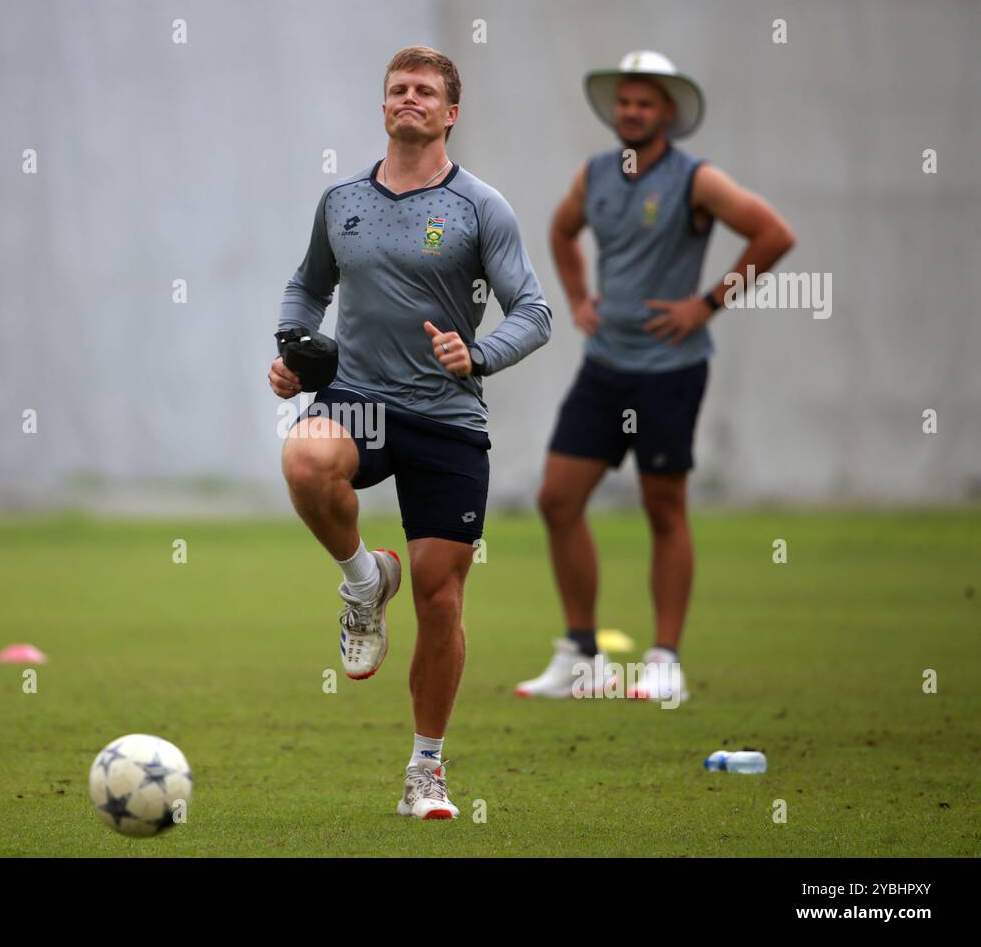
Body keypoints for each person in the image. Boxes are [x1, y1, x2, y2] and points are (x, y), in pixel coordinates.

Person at [272, 46, 552, 818]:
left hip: (447, 414)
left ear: (450, 112)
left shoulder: (480, 206)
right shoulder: (342, 202)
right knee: (304, 459)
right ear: (384, 104)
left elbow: (534, 311)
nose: (409, 98)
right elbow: (307, 285)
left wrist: (479, 354)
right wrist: (291, 352)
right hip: (358, 396)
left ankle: (425, 770)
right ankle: (364, 581)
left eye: (425, 91)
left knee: (440, 599)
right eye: (398, 88)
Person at [515, 51, 794, 702]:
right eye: (625, 102)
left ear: (668, 112)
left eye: (645, 103)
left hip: (670, 371)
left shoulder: (698, 180)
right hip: (604, 367)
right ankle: (583, 656)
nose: (632, 112)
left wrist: (708, 304)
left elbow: (773, 234)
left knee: (663, 508)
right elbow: (561, 232)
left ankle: (665, 657)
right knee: (557, 500)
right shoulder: (594, 176)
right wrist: (580, 298)